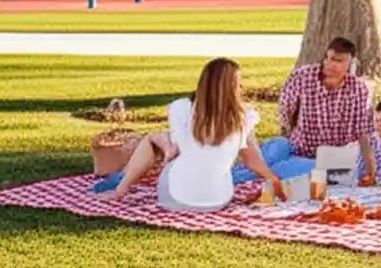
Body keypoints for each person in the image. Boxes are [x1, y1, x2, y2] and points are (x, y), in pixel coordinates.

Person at [100, 57, 283, 211]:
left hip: (174, 196)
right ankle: (166, 153)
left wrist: (170, 147)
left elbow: (179, 143)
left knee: (153, 138)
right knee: (170, 144)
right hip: (218, 200)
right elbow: (253, 161)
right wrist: (275, 181)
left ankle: (121, 189)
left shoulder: (184, 109)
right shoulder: (243, 118)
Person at [233, 37, 377, 185]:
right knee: (277, 147)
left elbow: (363, 134)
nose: (330, 65)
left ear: (350, 63)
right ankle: (231, 176)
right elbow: (285, 111)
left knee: (313, 169)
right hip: (296, 147)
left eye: (338, 61)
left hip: (325, 159)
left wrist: (371, 171)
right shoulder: (302, 77)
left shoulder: (358, 90)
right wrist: (293, 132)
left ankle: (259, 174)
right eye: (328, 58)